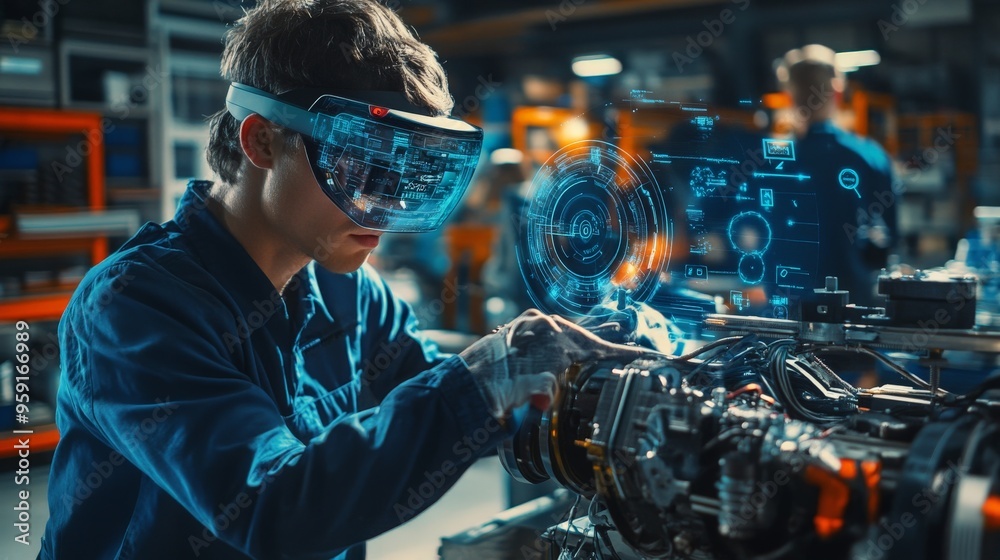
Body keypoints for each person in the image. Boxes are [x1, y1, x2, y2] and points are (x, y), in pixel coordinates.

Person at [39, 2, 645, 558]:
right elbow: (272, 513)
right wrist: (487, 377)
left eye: (407, 176)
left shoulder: (351, 289)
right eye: (362, 168)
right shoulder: (132, 307)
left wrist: (591, 385)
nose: (385, 208)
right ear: (263, 141)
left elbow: (442, 411)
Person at [776, 44, 897, 307]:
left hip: (783, 313)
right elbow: (889, 240)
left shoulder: (771, 160)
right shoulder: (870, 156)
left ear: (789, 96)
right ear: (838, 93)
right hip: (852, 308)